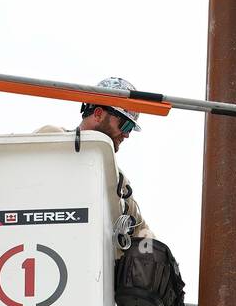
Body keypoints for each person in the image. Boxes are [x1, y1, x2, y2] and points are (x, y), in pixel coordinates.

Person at [37, 76, 153, 241]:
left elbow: (140, 228)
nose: (127, 135)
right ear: (98, 114)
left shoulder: (118, 181)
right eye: (126, 125)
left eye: (131, 129)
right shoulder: (51, 137)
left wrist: (161, 256)